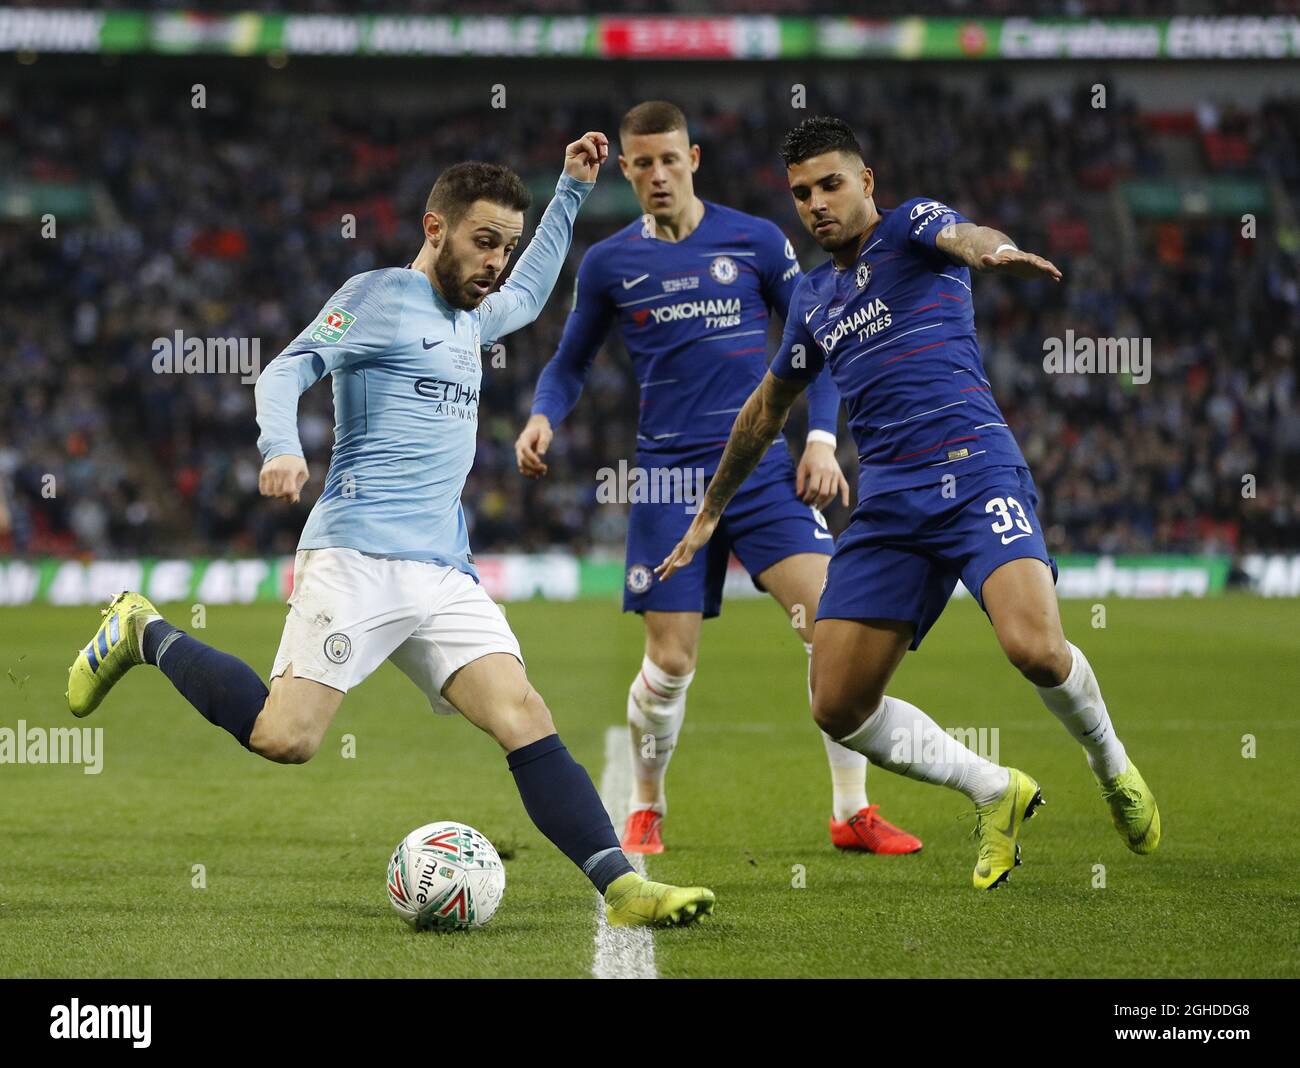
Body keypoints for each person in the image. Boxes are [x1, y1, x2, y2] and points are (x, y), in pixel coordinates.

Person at [66, 132, 714, 927]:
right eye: (483, 243)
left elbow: (535, 293)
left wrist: (570, 192)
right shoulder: (376, 297)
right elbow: (285, 369)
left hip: (444, 572)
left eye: (505, 247)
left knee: (524, 715)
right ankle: (142, 632)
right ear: (434, 228)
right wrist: (280, 447)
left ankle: (623, 888)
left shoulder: (475, 316)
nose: (496, 264)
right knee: (286, 738)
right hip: (357, 556)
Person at [657, 116, 1160, 890]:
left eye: (831, 184)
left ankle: (1113, 767)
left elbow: (964, 233)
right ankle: (995, 789)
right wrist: (710, 511)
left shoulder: (914, 227)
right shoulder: (814, 300)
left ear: (867, 184)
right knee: (837, 703)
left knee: (1035, 648)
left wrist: (991, 250)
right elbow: (764, 411)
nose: (817, 202)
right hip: (890, 506)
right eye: (802, 192)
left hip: (975, 471)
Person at [516, 101, 921, 857]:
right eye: (643, 164)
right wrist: (544, 415)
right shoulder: (609, 264)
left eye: (670, 160)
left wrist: (823, 439)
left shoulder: (758, 241)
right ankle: (646, 802)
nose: (658, 175)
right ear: (627, 171)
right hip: (669, 478)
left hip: (764, 471)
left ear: (693, 158)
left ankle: (851, 810)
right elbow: (570, 363)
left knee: (832, 630)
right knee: (669, 664)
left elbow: (820, 338)